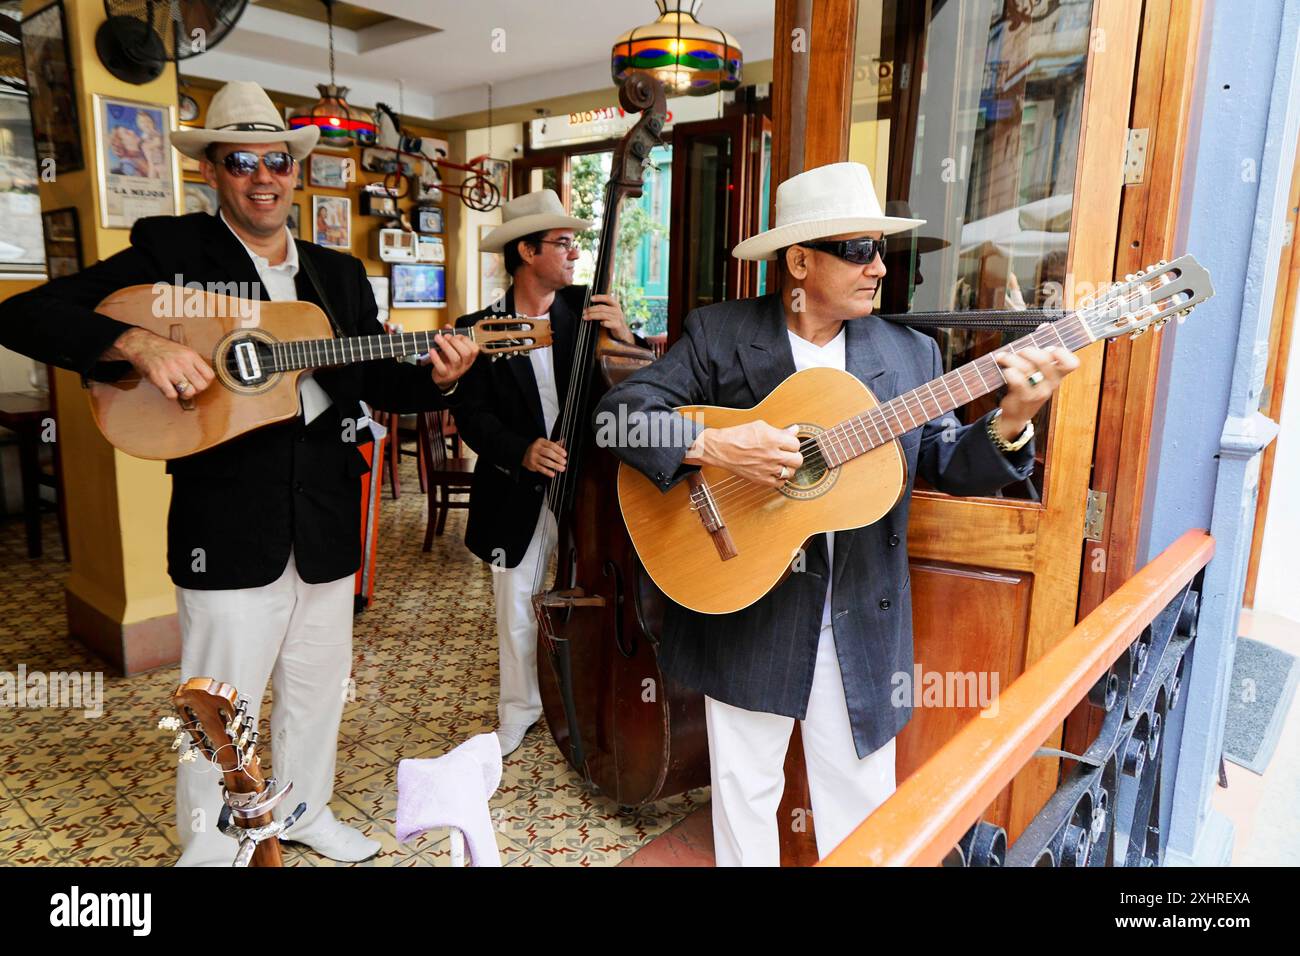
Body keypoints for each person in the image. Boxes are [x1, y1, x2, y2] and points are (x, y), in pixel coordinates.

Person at [0, 81, 478, 866]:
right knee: (220, 706)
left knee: (317, 690)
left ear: (294, 172)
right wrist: (138, 345)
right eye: (242, 161)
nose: (263, 176)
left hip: (323, 516)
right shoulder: (175, 251)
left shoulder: (337, 273)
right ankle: (210, 846)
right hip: (227, 523)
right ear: (215, 172)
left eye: (277, 162)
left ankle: (304, 813)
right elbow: (24, 314)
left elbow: (377, 379)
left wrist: (445, 377)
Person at [596, 162, 1079, 866]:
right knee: (744, 797)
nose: (879, 268)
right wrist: (715, 445)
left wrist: (1012, 416)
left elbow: (943, 460)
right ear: (799, 260)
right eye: (858, 250)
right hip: (742, 595)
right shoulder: (720, 334)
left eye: (881, 251)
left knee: (861, 810)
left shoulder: (909, 354)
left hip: (859, 612)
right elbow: (615, 423)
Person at [451, 190, 636, 756]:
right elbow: (471, 415)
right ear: (527, 251)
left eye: (574, 242)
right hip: (516, 486)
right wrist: (522, 449)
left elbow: (641, 385)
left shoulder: (588, 310)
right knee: (515, 602)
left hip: (592, 484)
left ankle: (587, 692)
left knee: (598, 596)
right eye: (562, 243)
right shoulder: (477, 327)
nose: (575, 253)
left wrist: (626, 337)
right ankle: (520, 709)